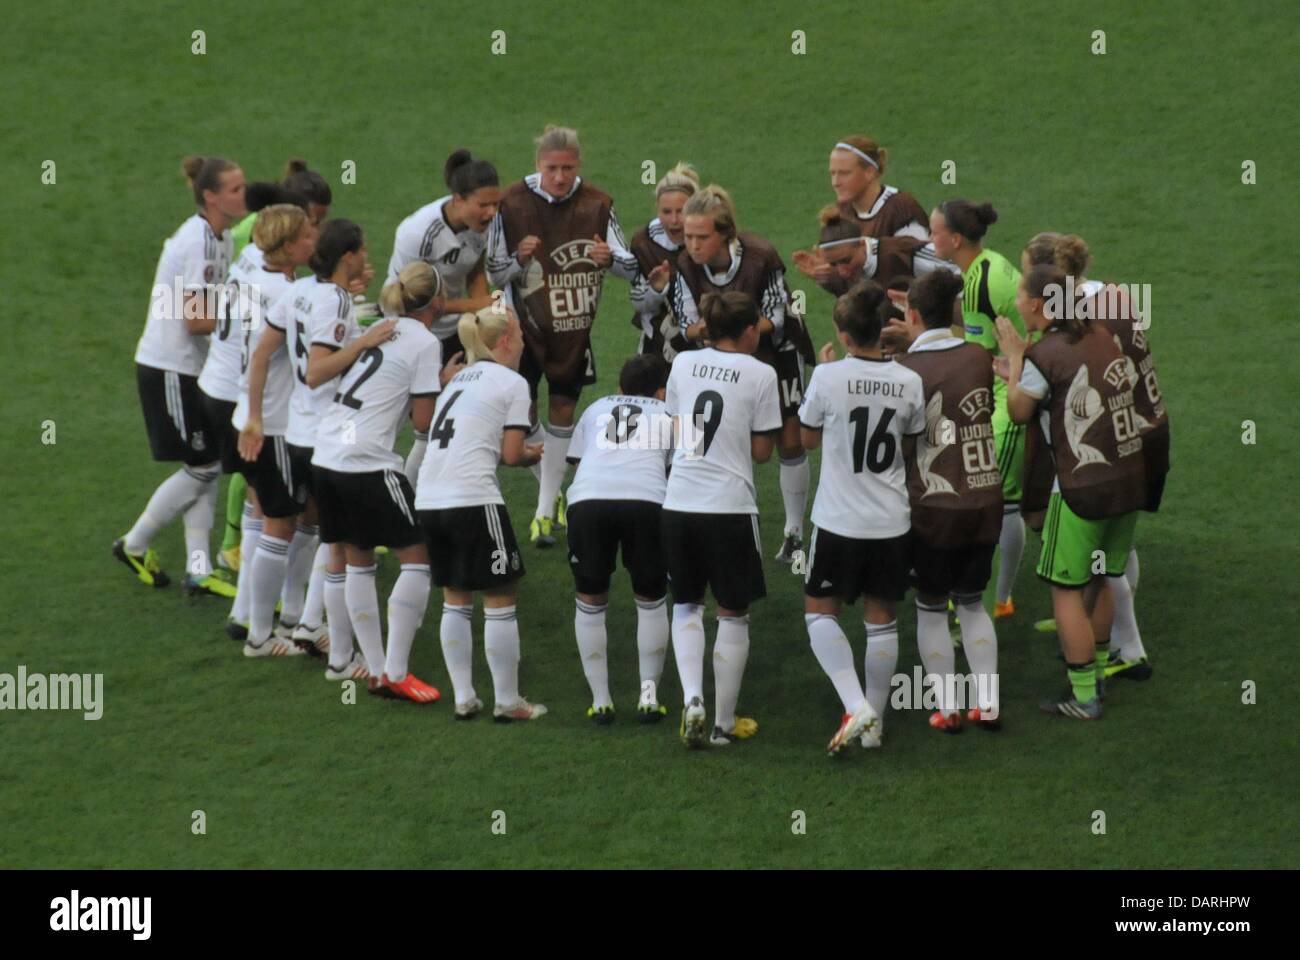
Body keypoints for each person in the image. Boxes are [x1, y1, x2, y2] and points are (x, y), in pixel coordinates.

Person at [995, 264, 1147, 719]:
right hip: (1129, 478)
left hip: (1081, 487)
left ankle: (1084, 696)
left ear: (1039, 305)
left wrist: (1018, 358)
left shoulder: (1047, 353)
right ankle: (1099, 670)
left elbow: (1020, 411)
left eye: (1021, 295)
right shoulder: (1102, 335)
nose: (1016, 303)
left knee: (1065, 590)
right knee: (1101, 575)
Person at [244, 219, 390, 667]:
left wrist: (254, 416)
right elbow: (317, 371)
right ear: (348, 256)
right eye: (362, 250)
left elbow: (262, 351)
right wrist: (365, 341)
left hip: (296, 429)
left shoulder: (301, 290)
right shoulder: (333, 301)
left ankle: (294, 622)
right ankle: (300, 642)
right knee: (337, 540)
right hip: (328, 436)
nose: (367, 256)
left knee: (310, 528)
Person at [485, 125, 639, 547]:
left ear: (579, 165)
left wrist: (611, 260)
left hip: (572, 330)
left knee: (563, 414)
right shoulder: (512, 203)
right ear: (538, 166)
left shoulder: (598, 204)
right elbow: (494, 273)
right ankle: (551, 492)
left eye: (568, 168)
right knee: (520, 413)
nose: (560, 176)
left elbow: (630, 266)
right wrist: (518, 258)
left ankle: (544, 510)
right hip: (525, 329)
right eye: (552, 168)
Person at [313, 262, 459, 698]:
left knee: (358, 557)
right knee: (417, 558)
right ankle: (395, 670)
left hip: (327, 453)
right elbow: (423, 422)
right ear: (437, 302)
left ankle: (375, 669)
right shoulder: (425, 343)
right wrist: (443, 383)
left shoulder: (383, 326)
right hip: (367, 462)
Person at [799, 282, 925, 754]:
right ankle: (875, 725)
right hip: (891, 520)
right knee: (881, 619)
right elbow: (910, 444)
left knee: (819, 612)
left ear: (844, 335)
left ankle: (855, 704)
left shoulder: (827, 377)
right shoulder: (910, 381)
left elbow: (808, 441)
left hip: (837, 521)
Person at [659, 184, 812, 564]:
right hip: (720, 354)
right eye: (688, 237)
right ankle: (715, 509)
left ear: (726, 234)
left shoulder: (761, 257)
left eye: (701, 237)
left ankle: (794, 532)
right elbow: (687, 324)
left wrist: (722, 329)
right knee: (718, 435)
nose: (691, 245)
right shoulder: (685, 265)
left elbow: (775, 319)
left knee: (788, 440)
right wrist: (723, 333)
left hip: (776, 353)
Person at [116, 156, 246, 598]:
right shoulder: (198, 243)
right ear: (210, 196)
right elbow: (195, 320)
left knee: (203, 464)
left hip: (192, 368)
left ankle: (198, 568)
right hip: (171, 367)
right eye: (234, 189)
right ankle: (134, 544)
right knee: (204, 466)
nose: (242, 195)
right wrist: (245, 312)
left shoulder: (220, 235)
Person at [414, 304, 547, 722]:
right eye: (522, 338)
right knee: (500, 596)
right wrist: (530, 457)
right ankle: (508, 702)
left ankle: (464, 697)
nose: (526, 344)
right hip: (472, 499)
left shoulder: (454, 381)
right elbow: (510, 454)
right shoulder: (512, 382)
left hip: (429, 499)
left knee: (455, 597)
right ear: (505, 341)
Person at [661, 292, 781, 748]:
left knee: (687, 603)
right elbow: (763, 452)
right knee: (732, 613)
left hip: (679, 502)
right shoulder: (762, 373)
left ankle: (692, 699)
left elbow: (675, 428)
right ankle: (723, 723)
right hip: (729, 507)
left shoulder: (683, 365)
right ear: (750, 331)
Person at [1051, 235, 1168, 680]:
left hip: (1118, 442)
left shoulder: (1077, 321)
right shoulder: (1115, 293)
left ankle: (1125, 648)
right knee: (1119, 542)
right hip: (1151, 428)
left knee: (1104, 551)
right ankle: (1124, 642)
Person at [893, 270, 1003, 732]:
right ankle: (989, 704)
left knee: (932, 605)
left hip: (933, 506)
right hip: (985, 498)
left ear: (912, 314)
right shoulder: (979, 356)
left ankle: (948, 707)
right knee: (973, 602)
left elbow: (900, 442)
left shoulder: (904, 372)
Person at [563, 355, 674, 724]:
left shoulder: (596, 407)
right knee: (651, 600)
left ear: (620, 389)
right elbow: (686, 468)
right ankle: (648, 696)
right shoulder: (669, 413)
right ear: (662, 390)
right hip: (647, 502)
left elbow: (578, 462)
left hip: (589, 501)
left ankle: (601, 700)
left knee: (591, 601)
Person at [225, 205, 318, 644]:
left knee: (263, 516)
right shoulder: (285, 293)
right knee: (283, 524)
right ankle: (262, 636)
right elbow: (273, 356)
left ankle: (246, 614)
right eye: (306, 234)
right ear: (287, 248)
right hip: (272, 422)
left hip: (244, 411)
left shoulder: (249, 271)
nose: (313, 237)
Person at [929, 199, 1026, 619]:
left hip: (1013, 397)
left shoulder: (975, 285)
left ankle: (990, 603)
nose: (929, 238)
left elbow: (977, 358)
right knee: (1008, 504)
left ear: (954, 239)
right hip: (1022, 384)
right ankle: (1001, 597)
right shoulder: (990, 263)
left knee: (996, 503)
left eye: (934, 232)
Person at [386, 149, 501, 359]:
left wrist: (486, 314)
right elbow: (410, 299)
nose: (492, 212)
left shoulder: (484, 223)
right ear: (458, 200)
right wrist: (473, 305)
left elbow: (474, 270)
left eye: (495, 203)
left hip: (451, 327)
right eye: (483, 205)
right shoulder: (417, 234)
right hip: (409, 329)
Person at [796, 137, 930, 296]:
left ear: (869, 172)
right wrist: (830, 275)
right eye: (832, 173)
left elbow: (923, 275)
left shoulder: (901, 208)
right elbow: (853, 293)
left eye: (844, 173)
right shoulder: (843, 211)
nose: (835, 182)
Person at [627, 162, 700, 361]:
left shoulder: (711, 237)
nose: (674, 220)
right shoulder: (644, 242)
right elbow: (639, 302)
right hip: (658, 343)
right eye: (666, 212)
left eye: (681, 211)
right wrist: (656, 290)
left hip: (704, 340)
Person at [793, 206, 955, 293]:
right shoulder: (848, 270)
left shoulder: (900, 252)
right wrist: (828, 280)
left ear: (863, 244)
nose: (842, 271)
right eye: (833, 264)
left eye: (846, 261)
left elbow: (958, 267)